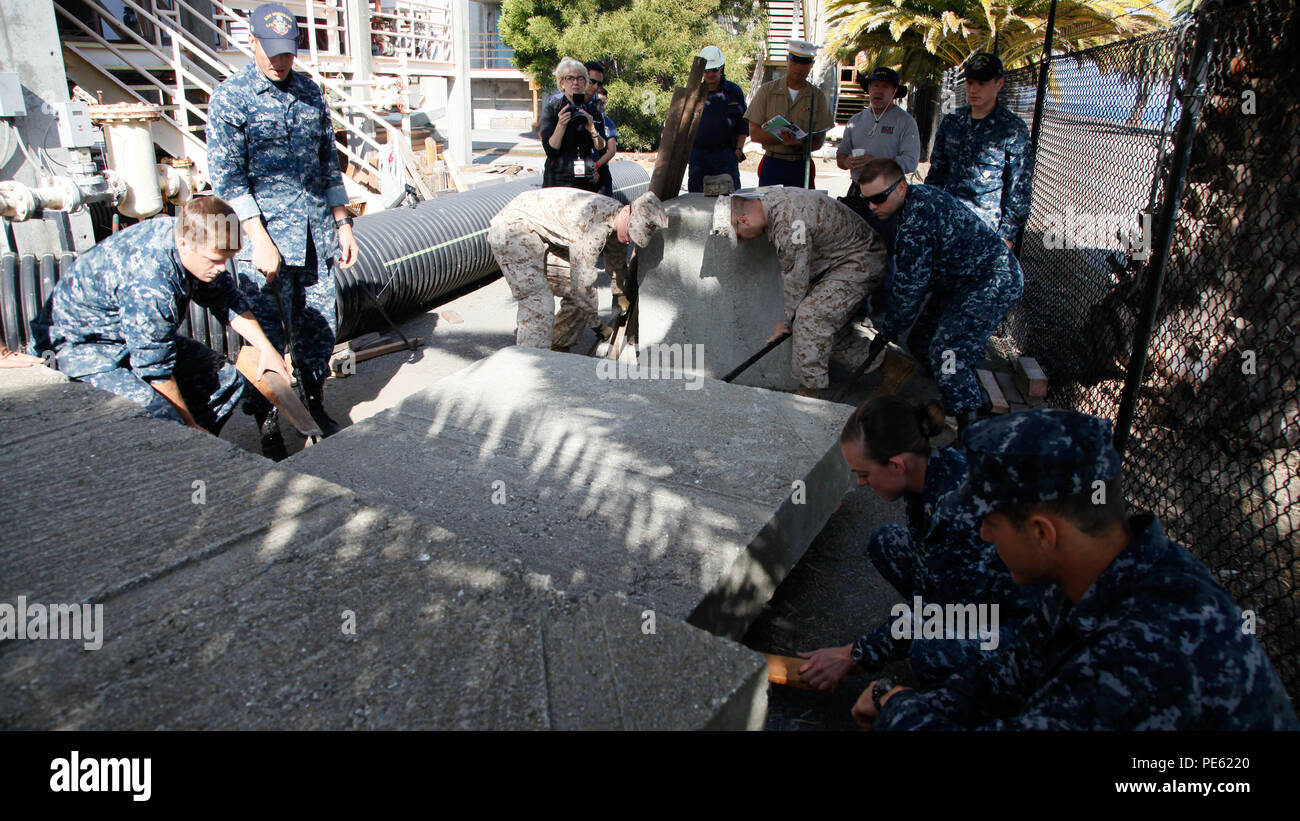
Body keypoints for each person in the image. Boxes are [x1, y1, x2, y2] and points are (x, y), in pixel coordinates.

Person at [855, 409, 1299, 731]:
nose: (985, 538)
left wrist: (897, 708)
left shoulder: (1139, 652)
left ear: (1043, 533)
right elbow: (1003, 680)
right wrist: (905, 700)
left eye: (990, 525)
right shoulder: (1099, 576)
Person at [799, 396, 1043, 692]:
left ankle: (990, 697)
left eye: (864, 474)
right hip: (980, 592)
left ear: (897, 465)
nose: (861, 484)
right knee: (887, 543)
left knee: (930, 654)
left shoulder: (956, 513)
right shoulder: (936, 467)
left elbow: (939, 610)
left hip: (1025, 622)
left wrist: (853, 655)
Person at [206, 3, 359, 459]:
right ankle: (267, 422)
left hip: (316, 237)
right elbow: (228, 179)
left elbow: (329, 163)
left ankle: (314, 405)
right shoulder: (231, 98)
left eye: (288, 54)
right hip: (266, 243)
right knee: (267, 336)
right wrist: (257, 237)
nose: (279, 61)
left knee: (319, 330)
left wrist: (343, 223)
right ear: (251, 42)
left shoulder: (311, 92)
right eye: (271, 52)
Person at [41, 196, 290, 434]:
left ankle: (203, 453)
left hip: (132, 335)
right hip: (81, 346)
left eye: (226, 259)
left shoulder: (194, 237)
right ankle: (178, 452)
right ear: (184, 244)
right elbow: (155, 369)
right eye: (215, 260)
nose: (221, 268)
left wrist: (266, 349)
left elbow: (227, 300)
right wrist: (188, 427)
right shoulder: (152, 282)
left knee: (226, 381)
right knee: (162, 417)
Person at [858, 158, 1022, 427]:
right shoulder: (914, 200)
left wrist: (888, 330)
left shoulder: (916, 222)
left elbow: (910, 288)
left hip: (991, 282)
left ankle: (972, 424)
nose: (872, 207)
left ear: (900, 188)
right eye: (867, 200)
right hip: (958, 282)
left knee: (948, 351)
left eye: (878, 198)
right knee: (922, 342)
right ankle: (957, 389)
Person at [723, 189, 886, 398]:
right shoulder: (772, 204)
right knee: (823, 336)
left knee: (810, 319)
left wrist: (787, 323)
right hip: (840, 262)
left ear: (744, 221)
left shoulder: (788, 222)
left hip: (860, 260)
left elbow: (796, 278)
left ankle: (810, 397)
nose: (743, 242)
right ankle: (891, 365)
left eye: (738, 237)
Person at [489, 190, 667, 350]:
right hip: (512, 229)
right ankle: (530, 364)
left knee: (580, 298)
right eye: (630, 233)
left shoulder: (618, 221)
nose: (629, 240)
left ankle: (557, 347)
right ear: (627, 211)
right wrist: (597, 325)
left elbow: (617, 263)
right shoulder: (593, 222)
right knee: (539, 302)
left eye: (634, 238)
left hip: (540, 235)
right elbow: (582, 281)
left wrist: (619, 293)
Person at [926, 53, 1033, 248]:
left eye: (982, 83)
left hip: (984, 231)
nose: (974, 89)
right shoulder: (952, 122)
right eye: (970, 82)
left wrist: (1007, 235)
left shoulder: (1012, 129)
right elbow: (936, 174)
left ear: (999, 83)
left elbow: (1019, 187)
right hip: (947, 223)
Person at [744, 39, 833, 188]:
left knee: (803, 209)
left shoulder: (816, 96)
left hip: (801, 165)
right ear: (787, 60)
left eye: (804, 62)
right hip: (773, 163)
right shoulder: (767, 91)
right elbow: (754, 134)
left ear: (811, 64)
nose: (799, 67)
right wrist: (783, 139)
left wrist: (800, 146)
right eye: (795, 61)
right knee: (768, 209)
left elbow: (819, 139)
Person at [837, 67, 920, 193]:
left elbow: (910, 162)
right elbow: (841, 156)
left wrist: (877, 163)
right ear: (869, 88)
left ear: (894, 91)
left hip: (889, 191)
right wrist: (846, 161)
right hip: (857, 189)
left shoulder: (906, 122)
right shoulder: (855, 121)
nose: (879, 91)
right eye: (875, 85)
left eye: (885, 86)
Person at [538, 57, 608, 192]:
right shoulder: (552, 109)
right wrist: (561, 125)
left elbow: (601, 148)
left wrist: (592, 128)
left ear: (585, 83)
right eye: (570, 78)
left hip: (585, 179)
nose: (575, 82)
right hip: (558, 179)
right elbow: (551, 151)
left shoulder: (592, 110)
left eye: (580, 78)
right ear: (562, 83)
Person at [687, 45, 747, 194]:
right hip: (699, 157)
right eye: (706, 71)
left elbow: (743, 124)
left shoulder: (734, 92)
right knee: (696, 203)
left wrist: (738, 150)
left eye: (714, 70)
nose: (710, 75)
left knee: (729, 202)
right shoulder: (693, 94)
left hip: (725, 156)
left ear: (722, 68)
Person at [590, 85, 618, 198]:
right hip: (584, 169)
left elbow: (612, 150)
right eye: (598, 102)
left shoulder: (608, 123)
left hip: (601, 168)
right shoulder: (583, 119)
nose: (601, 105)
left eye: (603, 102)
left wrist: (596, 165)